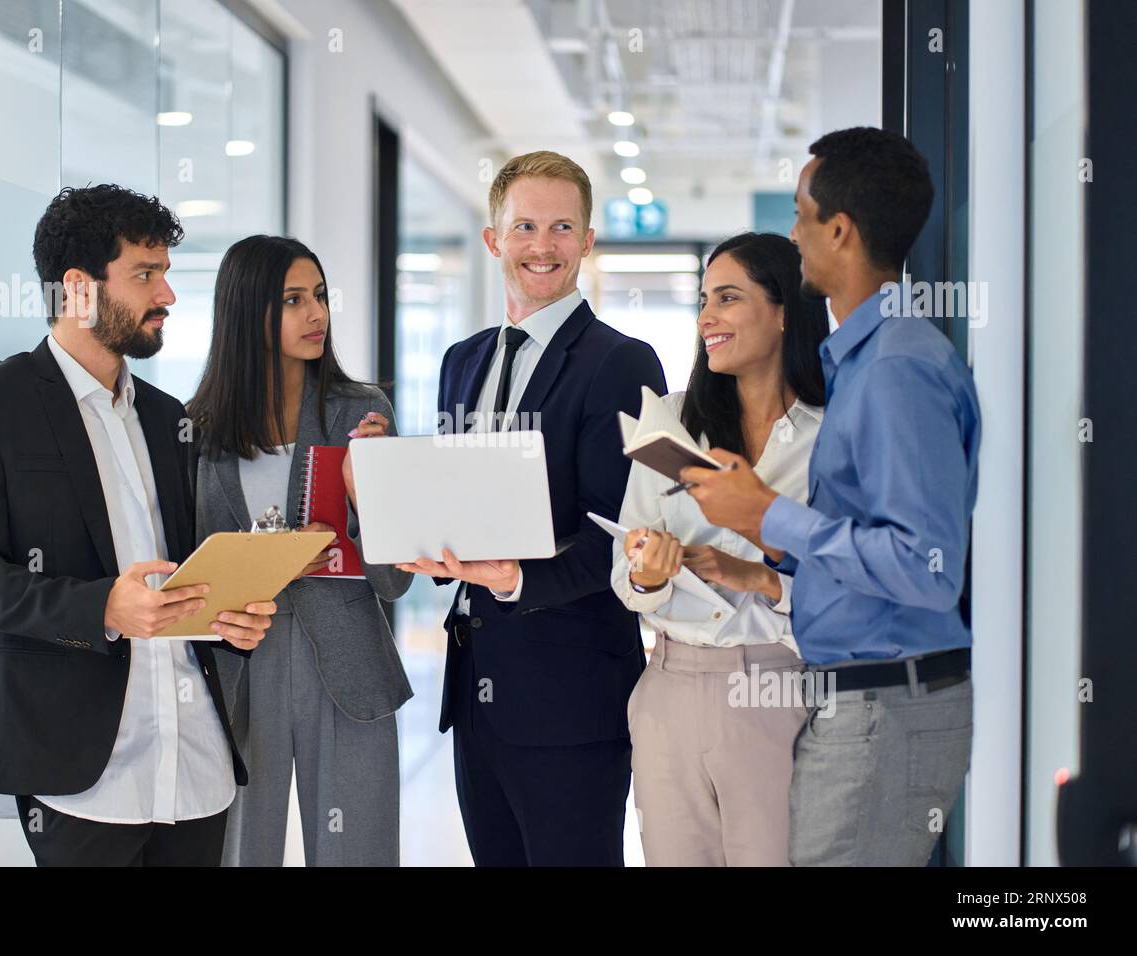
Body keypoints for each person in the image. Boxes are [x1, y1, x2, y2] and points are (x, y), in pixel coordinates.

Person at [0, 185, 275, 866]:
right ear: (78, 288)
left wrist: (228, 621)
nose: (168, 297)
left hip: (194, 761)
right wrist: (103, 607)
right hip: (80, 771)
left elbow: (181, 569)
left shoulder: (167, 416)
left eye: (167, 275)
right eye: (145, 275)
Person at [679, 127, 981, 866]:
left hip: (884, 703)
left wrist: (766, 515)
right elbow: (873, 538)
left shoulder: (895, 370)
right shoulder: (865, 361)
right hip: (862, 701)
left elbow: (928, 567)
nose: (794, 232)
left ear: (839, 231)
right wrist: (773, 544)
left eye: (800, 214)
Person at [399, 150, 667, 866]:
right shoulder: (463, 360)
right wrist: (420, 532)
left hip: (571, 696)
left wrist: (511, 579)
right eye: (524, 226)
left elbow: (618, 535)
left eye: (561, 227)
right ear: (494, 240)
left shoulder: (623, 362)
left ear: (586, 241)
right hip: (475, 690)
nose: (541, 246)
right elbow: (459, 506)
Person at [187, 235, 413, 866]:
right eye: (293, 300)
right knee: (236, 853)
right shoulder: (196, 429)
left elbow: (395, 581)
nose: (317, 313)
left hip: (346, 662)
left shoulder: (360, 413)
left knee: (357, 853)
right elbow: (189, 571)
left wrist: (366, 499)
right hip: (240, 663)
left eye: (318, 296)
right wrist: (269, 557)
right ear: (245, 311)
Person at [613, 232, 828, 866]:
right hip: (668, 690)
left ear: (784, 309)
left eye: (728, 298)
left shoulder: (832, 436)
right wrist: (648, 575)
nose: (707, 316)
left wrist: (757, 576)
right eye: (704, 299)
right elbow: (625, 577)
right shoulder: (673, 421)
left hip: (779, 688)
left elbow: (851, 585)